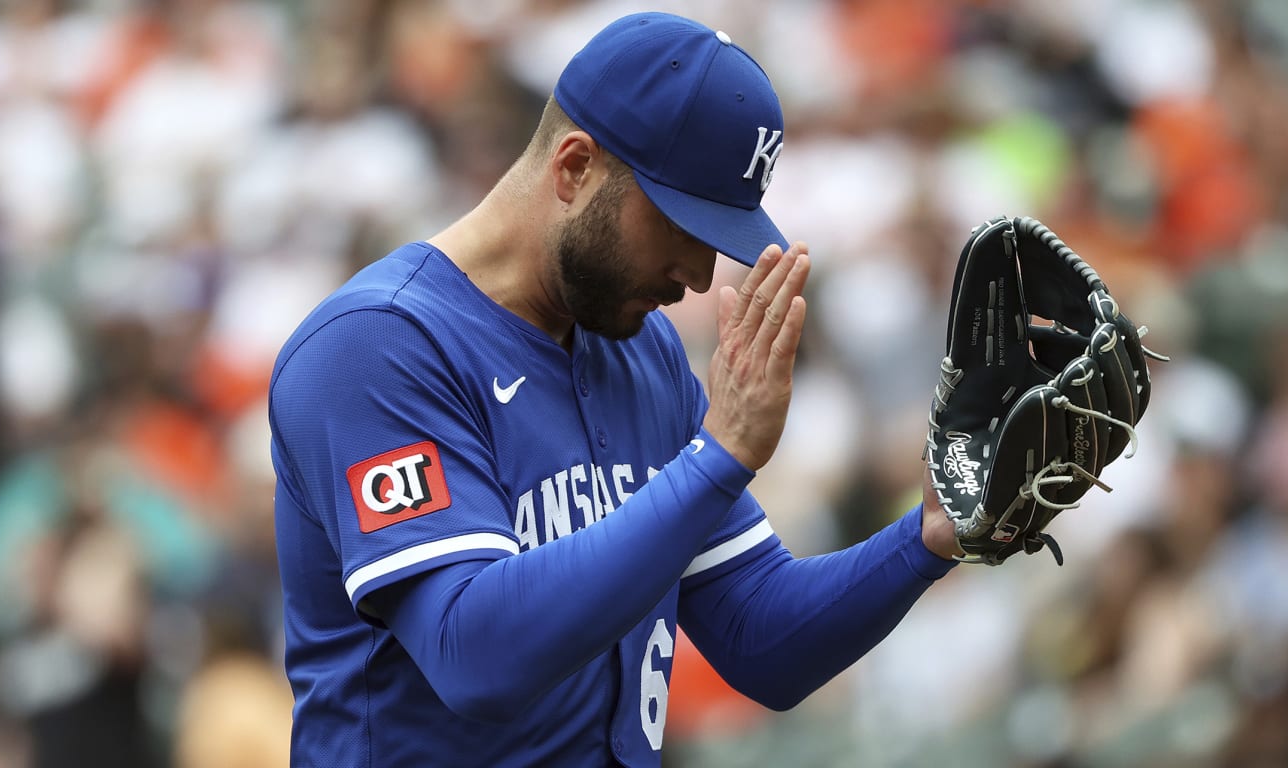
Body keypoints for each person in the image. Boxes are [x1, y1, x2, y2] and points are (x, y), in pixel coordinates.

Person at [268, 12, 962, 766]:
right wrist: (717, 457)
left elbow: (762, 639)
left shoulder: (643, 355)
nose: (699, 275)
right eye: (681, 226)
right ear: (573, 168)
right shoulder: (377, 347)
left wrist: (929, 536)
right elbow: (473, 655)